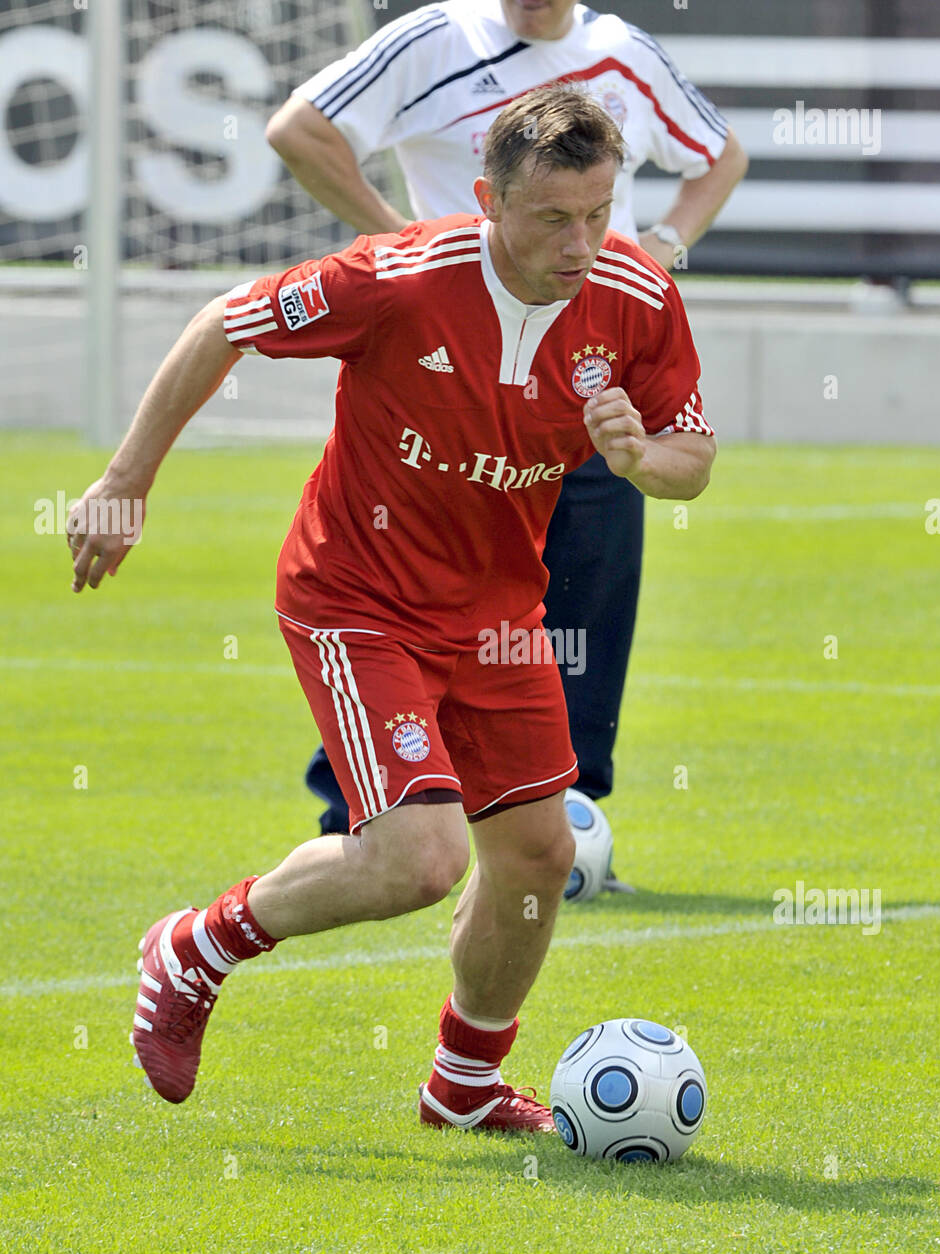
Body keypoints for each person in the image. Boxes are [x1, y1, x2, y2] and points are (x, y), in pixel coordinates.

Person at [67, 86, 715, 1131]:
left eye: (598, 212)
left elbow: (695, 459)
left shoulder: (637, 297)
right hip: (355, 598)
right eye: (554, 217)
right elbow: (221, 322)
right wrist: (125, 480)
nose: (582, 241)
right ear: (488, 200)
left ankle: (461, 1086)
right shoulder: (400, 276)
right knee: (421, 857)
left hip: (501, 615)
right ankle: (197, 946)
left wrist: (642, 458)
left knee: (541, 856)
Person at [265, 0, 746, 851]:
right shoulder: (435, 39)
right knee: (410, 588)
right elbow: (299, 130)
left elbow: (720, 153)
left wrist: (665, 244)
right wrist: (404, 249)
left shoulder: (621, 51)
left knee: (579, 604)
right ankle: (364, 814)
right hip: (452, 370)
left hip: (591, 366)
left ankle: (569, 827)